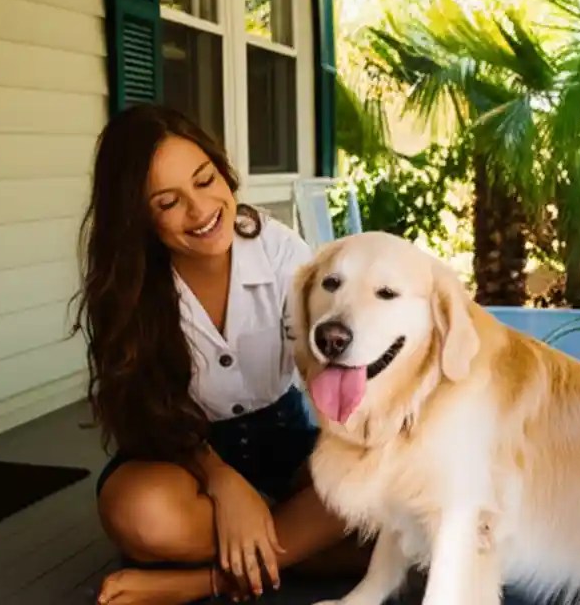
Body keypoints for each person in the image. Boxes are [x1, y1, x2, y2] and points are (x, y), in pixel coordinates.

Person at [72, 104, 366, 604]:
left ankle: (203, 580)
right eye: (168, 202)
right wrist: (223, 482)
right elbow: (146, 413)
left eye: (206, 180)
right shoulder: (127, 285)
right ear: (138, 217)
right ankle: (289, 546)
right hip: (183, 453)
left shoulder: (276, 249)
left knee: (371, 500)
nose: (201, 209)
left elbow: (322, 354)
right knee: (138, 513)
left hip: (284, 436)